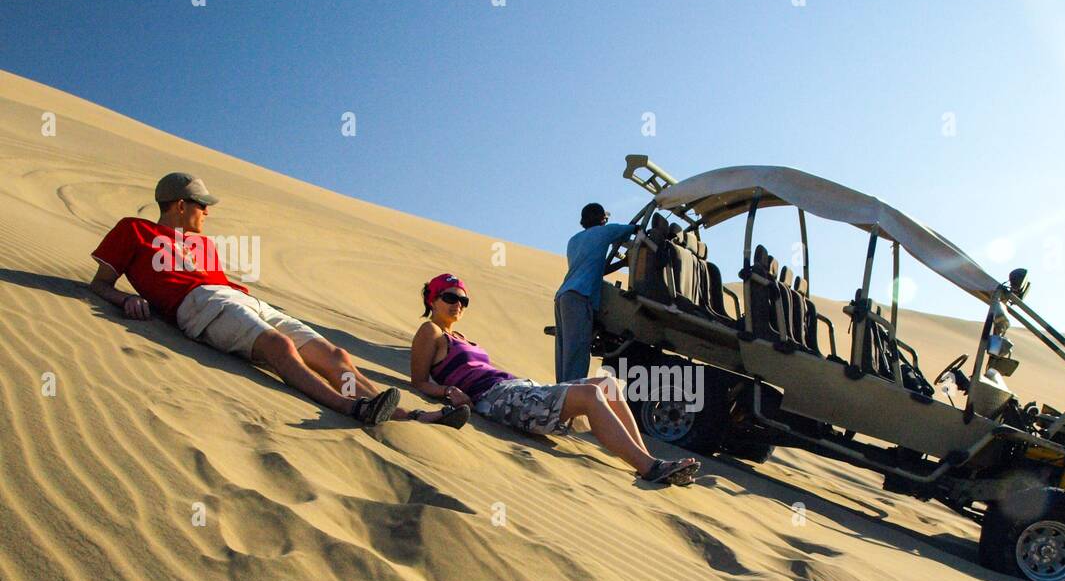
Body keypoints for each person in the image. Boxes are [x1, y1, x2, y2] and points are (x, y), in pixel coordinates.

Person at [88, 172, 464, 428]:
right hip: (198, 304)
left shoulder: (202, 244)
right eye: (201, 204)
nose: (207, 211)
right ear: (179, 205)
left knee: (333, 355)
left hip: (240, 299)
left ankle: (403, 413)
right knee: (279, 346)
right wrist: (124, 300)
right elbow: (100, 283)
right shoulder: (133, 230)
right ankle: (354, 408)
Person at [412, 274, 699, 485]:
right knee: (590, 396)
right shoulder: (431, 331)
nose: (458, 304)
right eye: (449, 297)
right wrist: (451, 391)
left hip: (517, 389)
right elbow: (419, 381)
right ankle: (650, 468)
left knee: (607, 385)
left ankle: (645, 459)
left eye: (463, 299)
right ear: (432, 299)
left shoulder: (462, 338)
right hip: (494, 399)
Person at [553, 202, 636, 382]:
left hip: (563, 295)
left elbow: (593, 269)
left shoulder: (573, 241)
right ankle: (572, 396)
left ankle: (560, 394)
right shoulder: (605, 231)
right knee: (577, 351)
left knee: (564, 351)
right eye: (605, 218)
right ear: (602, 218)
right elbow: (635, 228)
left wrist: (622, 263)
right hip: (579, 296)